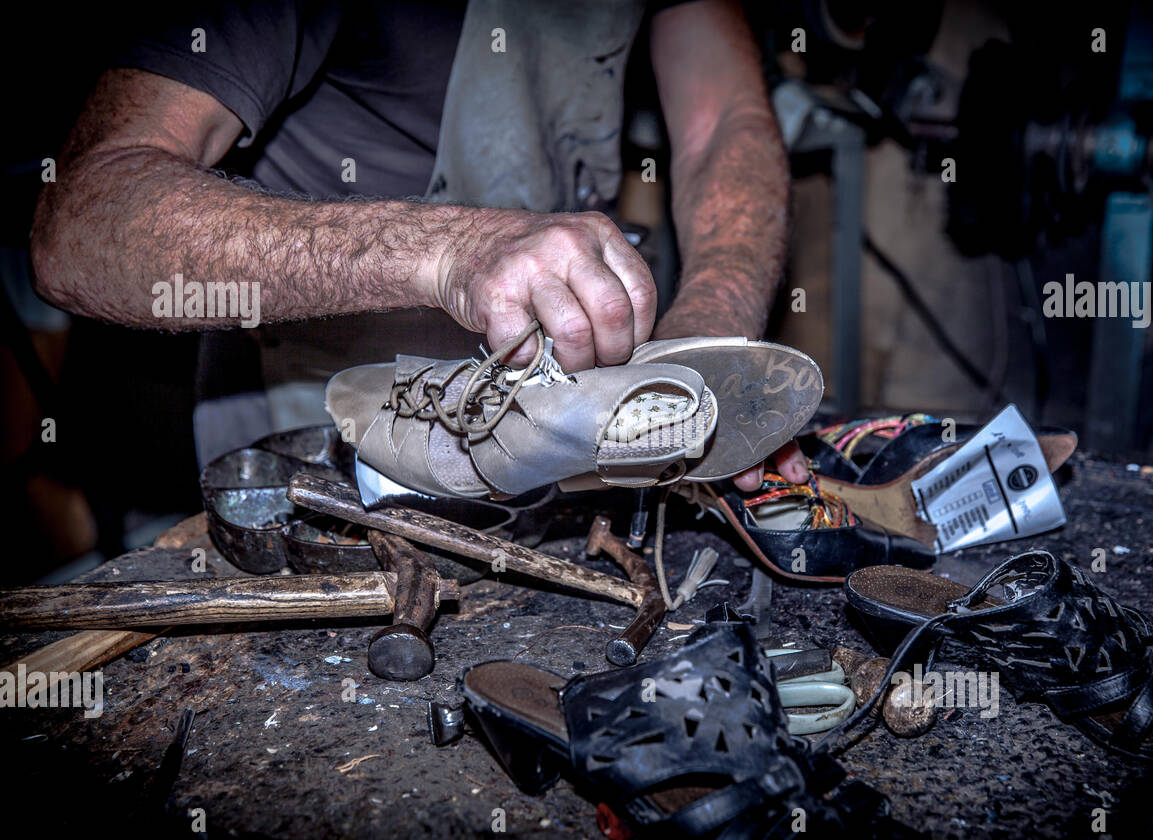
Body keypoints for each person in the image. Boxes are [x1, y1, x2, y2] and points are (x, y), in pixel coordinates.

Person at [29, 0, 807, 489]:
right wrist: (450, 252)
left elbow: (725, 124)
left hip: (551, 417)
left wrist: (704, 353)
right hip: (330, 436)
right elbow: (84, 219)